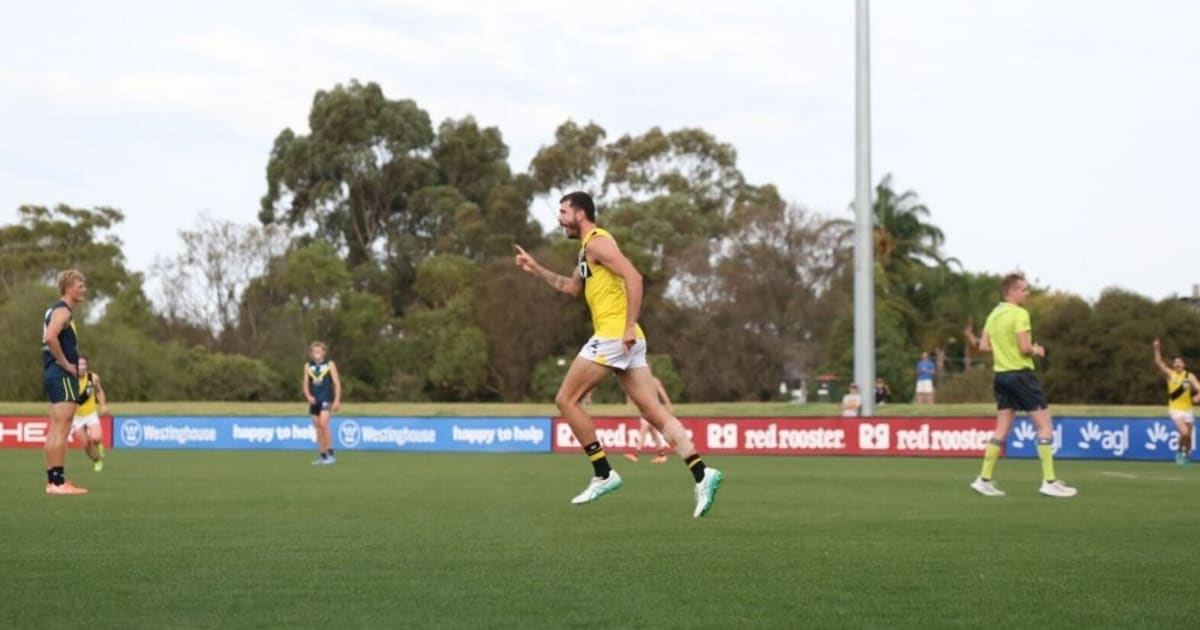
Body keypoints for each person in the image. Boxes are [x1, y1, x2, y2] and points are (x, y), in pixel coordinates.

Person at [515, 191, 723, 518]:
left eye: (564, 212)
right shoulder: (587, 251)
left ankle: (603, 473)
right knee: (652, 411)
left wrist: (627, 327)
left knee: (566, 400)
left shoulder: (598, 243)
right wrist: (536, 268)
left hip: (615, 334)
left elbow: (635, 277)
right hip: (626, 338)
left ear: (580, 214)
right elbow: (572, 288)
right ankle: (702, 473)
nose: (559, 218)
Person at [968, 272, 1076, 498]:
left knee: (1001, 429)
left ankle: (983, 479)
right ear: (1013, 292)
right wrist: (1036, 349)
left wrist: (1004, 349)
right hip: (1021, 376)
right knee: (1045, 426)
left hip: (1001, 376)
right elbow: (1025, 348)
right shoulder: (1020, 314)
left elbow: (983, 345)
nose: (1027, 293)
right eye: (1024, 289)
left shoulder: (994, 314)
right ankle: (1049, 481)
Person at [42, 269, 89, 495]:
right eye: (80, 286)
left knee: (56, 429)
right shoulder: (63, 311)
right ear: (69, 288)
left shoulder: (55, 309)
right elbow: (50, 338)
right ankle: (58, 483)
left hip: (54, 374)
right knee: (62, 428)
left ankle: (54, 481)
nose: (84, 290)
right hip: (61, 375)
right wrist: (66, 364)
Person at [1152, 338, 1200, 466]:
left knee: (1188, 437)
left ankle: (1185, 455)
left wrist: (1198, 396)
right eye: (1176, 363)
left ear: (1184, 365)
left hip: (1188, 409)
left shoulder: (1189, 376)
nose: (1178, 364)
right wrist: (1156, 349)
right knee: (1184, 432)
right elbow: (1159, 362)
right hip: (1175, 409)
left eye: (1180, 362)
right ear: (1174, 365)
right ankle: (1179, 452)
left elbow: (1198, 387)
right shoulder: (1170, 375)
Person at [304, 341, 342, 465]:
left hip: (326, 398)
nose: (317, 353)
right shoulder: (308, 366)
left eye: (319, 351)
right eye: (314, 351)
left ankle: (331, 454)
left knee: (323, 424)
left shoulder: (330, 364)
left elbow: (337, 383)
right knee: (318, 428)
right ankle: (323, 455)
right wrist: (308, 396)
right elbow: (305, 384)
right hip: (314, 400)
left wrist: (337, 400)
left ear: (324, 352)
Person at [623, 377, 674, 464]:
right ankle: (661, 455)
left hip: (652, 410)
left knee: (643, 430)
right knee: (653, 433)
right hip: (648, 410)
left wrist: (669, 406)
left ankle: (636, 454)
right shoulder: (643, 382)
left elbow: (663, 394)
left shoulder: (653, 381)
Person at [72, 355, 109, 472]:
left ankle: (99, 443)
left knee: (96, 437)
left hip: (90, 413)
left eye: (84, 364)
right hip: (76, 417)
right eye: (79, 364)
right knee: (86, 443)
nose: (81, 367)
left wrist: (103, 405)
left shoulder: (93, 378)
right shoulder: (70, 379)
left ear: (87, 366)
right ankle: (97, 461)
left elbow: (99, 391)